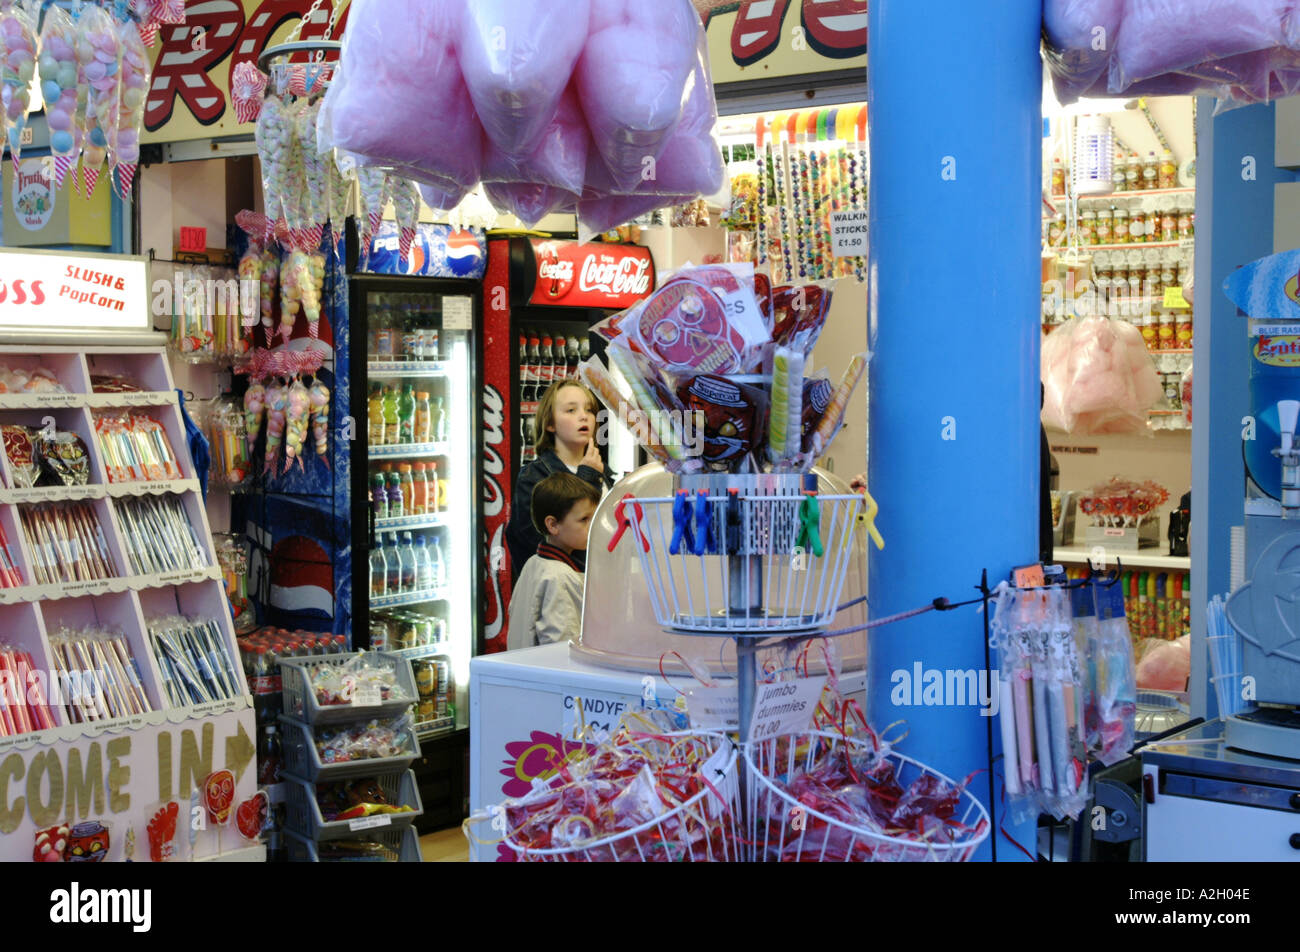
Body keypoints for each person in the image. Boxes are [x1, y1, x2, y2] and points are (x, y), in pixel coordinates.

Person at [506, 379, 612, 582]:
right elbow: (542, 549)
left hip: (602, 589)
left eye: (589, 410)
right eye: (571, 410)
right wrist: (588, 480)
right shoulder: (533, 478)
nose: (584, 416)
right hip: (563, 592)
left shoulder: (602, 472)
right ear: (550, 423)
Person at [506, 473, 600, 651]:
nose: (592, 526)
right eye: (584, 519)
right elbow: (562, 648)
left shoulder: (533, 563)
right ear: (553, 525)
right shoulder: (560, 577)